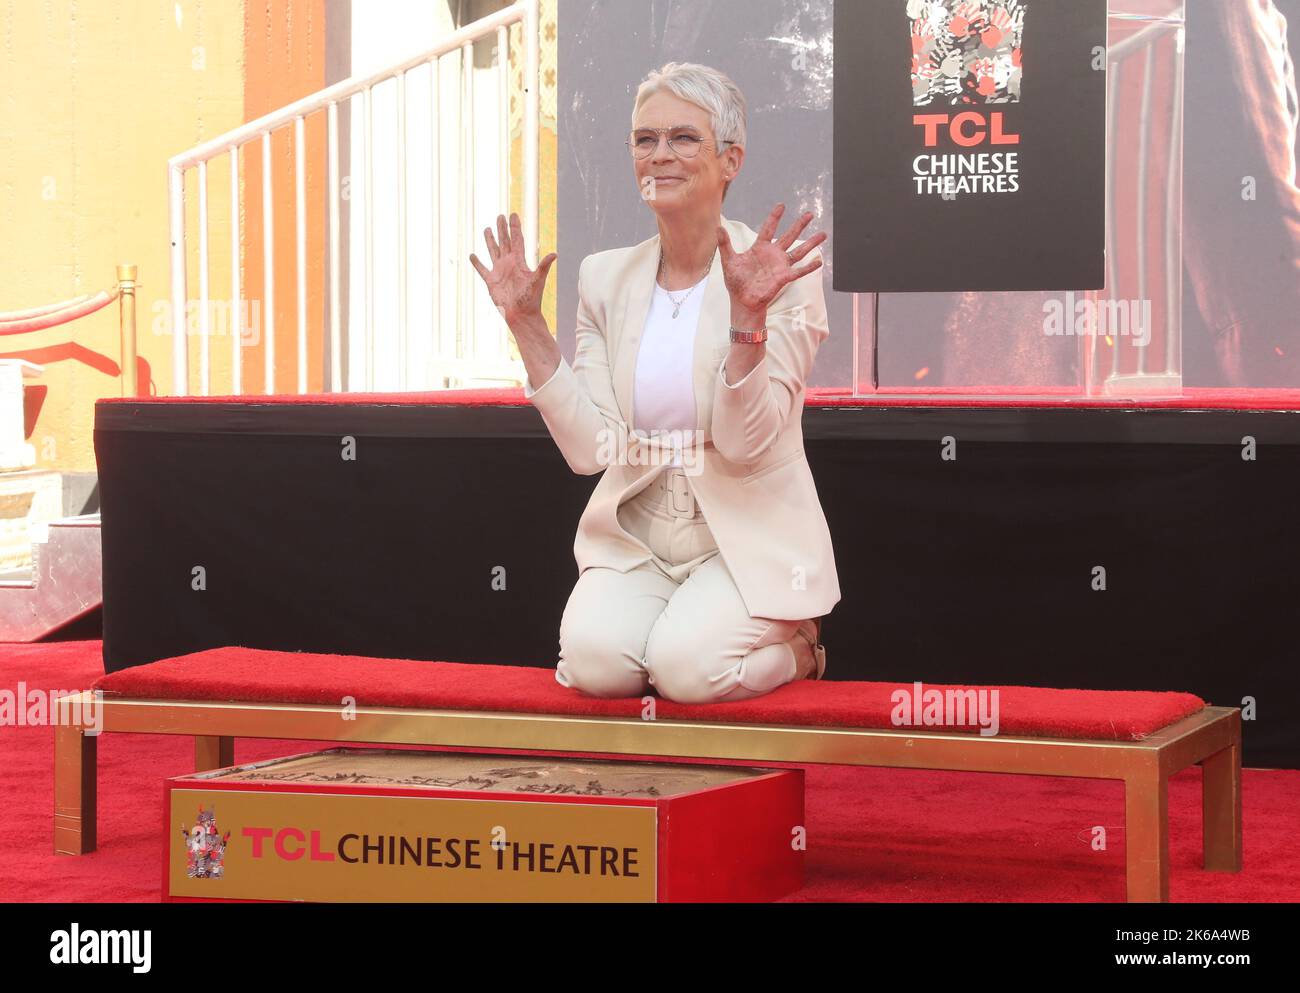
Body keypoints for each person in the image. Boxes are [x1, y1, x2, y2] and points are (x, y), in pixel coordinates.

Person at [470, 62, 840, 703]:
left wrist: (749, 317)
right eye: (645, 139)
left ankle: (800, 652)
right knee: (595, 669)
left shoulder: (781, 275)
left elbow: (747, 442)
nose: (659, 155)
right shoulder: (604, 278)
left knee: (686, 674)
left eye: (683, 138)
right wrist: (527, 326)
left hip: (745, 539)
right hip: (638, 538)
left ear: (731, 160)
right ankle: (671, 628)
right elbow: (591, 451)